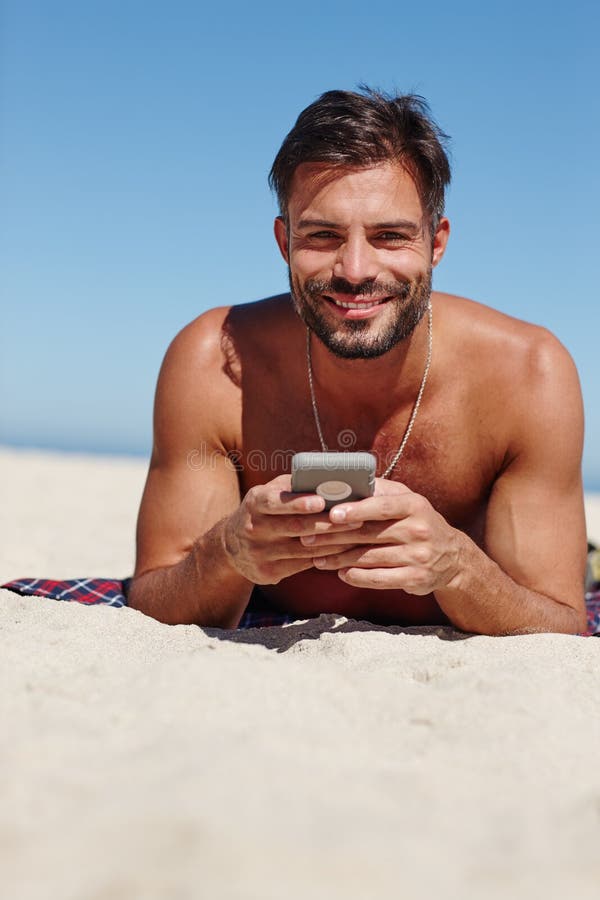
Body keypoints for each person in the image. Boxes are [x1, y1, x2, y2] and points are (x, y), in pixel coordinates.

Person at [128, 88, 587, 635]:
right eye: (322, 236)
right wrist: (228, 553)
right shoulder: (212, 363)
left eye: (390, 236)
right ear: (284, 242)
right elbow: (153, 603)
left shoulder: (529, 374)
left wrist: (456, 566)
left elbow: (562, 627)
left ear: (436, 243)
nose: (354, 269)